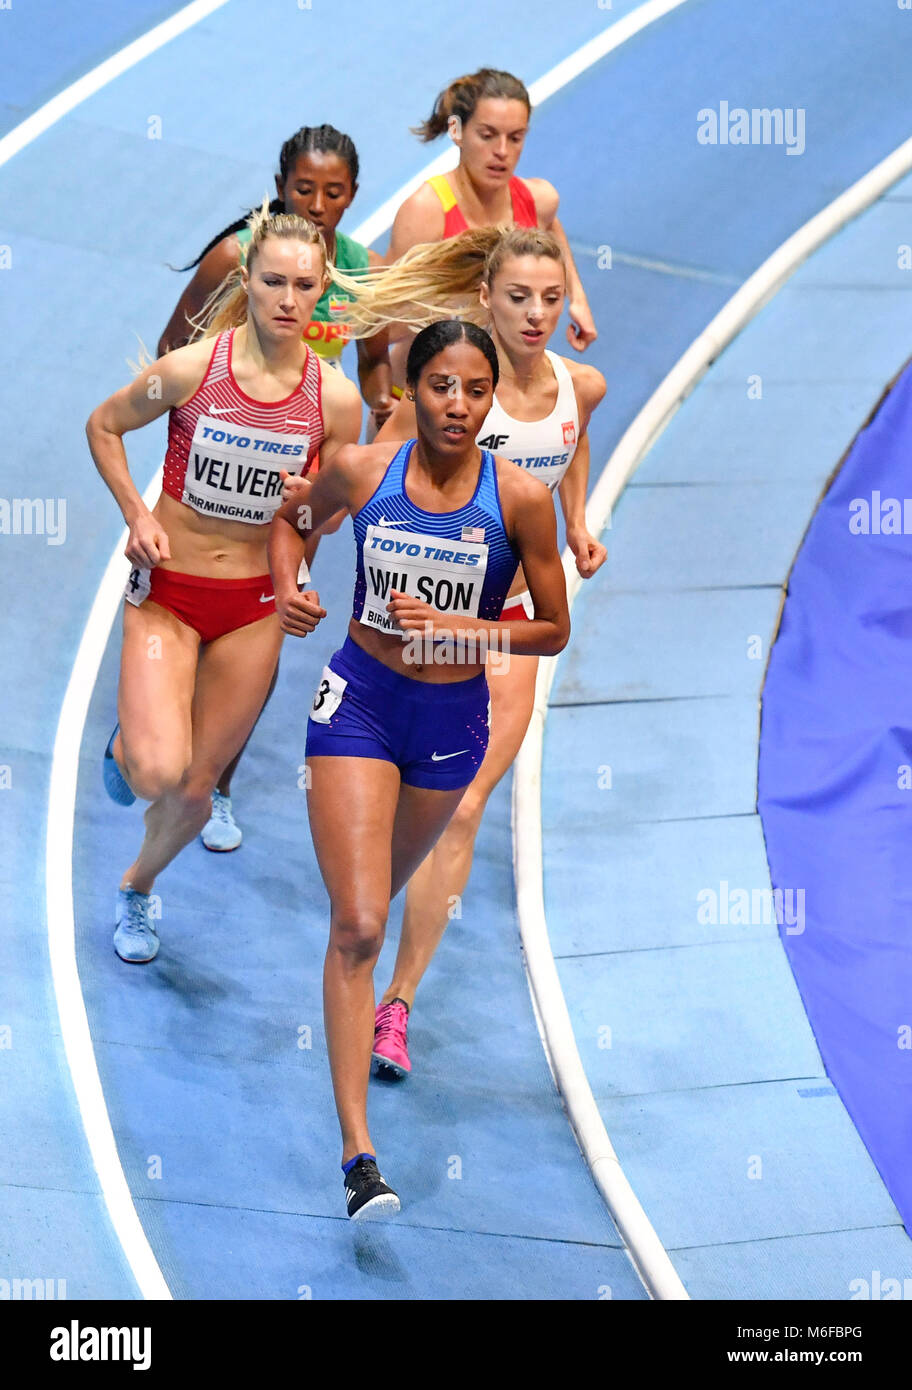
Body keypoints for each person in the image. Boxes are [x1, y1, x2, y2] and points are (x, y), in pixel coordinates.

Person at [268, 320, 570, 1217]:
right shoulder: (366, 471)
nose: (459, 406)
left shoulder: (517, 500)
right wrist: (290, 584)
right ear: (414, 385)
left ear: (490, 400)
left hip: (449, 721)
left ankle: (370, 1001)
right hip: (359, 701)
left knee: (381, 899)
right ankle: (360, 1155)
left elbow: (554, 628)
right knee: (359, 922)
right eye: (442, 386)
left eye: (477, 391)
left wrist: (466, 632)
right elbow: (295, 526)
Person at [333, 225, 606, 1075]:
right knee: (415, 797)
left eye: (553, 299)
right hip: (413, 614)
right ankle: (363, 903)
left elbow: (567, 447)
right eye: (518, 298)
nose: (537, 315)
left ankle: (398, 1002)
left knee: (466, 801)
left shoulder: (582, 384)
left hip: (510, 618)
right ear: (484, 299)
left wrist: (580, 520)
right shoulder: (451, 386)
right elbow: (375, 472)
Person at [88, 208, 361, 963]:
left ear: (322, 292)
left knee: (195, 790)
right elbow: (104, 426)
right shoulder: (191, 371)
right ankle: (126, 745)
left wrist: (308, 520)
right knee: (154, 771)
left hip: (254, 608)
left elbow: (329, 513)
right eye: (272, 281)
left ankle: (137, 889)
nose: (286, 298)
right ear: (247, 282)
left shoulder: (336, 401)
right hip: (168, 593)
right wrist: (138, 515)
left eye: (303, 285)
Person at [157, 126, 392, 851]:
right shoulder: (239, 255)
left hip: (300, 487)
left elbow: (377, 370)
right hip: (216, 465)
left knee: (266, 624)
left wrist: (377, 420)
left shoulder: (359, 275)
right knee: (192, 615)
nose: (319, 206)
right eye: (304, 190)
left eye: (335, 193)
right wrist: (228, 412)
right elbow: (171, 350)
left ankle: (218, 784)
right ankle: (151, 728)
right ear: (280, 185)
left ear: (354, 197)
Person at [384, 68, 598, 395]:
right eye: (487, 135)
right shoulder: (426, 212)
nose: (502, 151)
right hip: (419, 400)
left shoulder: (538, 200)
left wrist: (577, 299)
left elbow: (551, 233)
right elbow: (385, 325)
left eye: (515, 137)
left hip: (496, 397)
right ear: (457, 130)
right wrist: (456, 302)